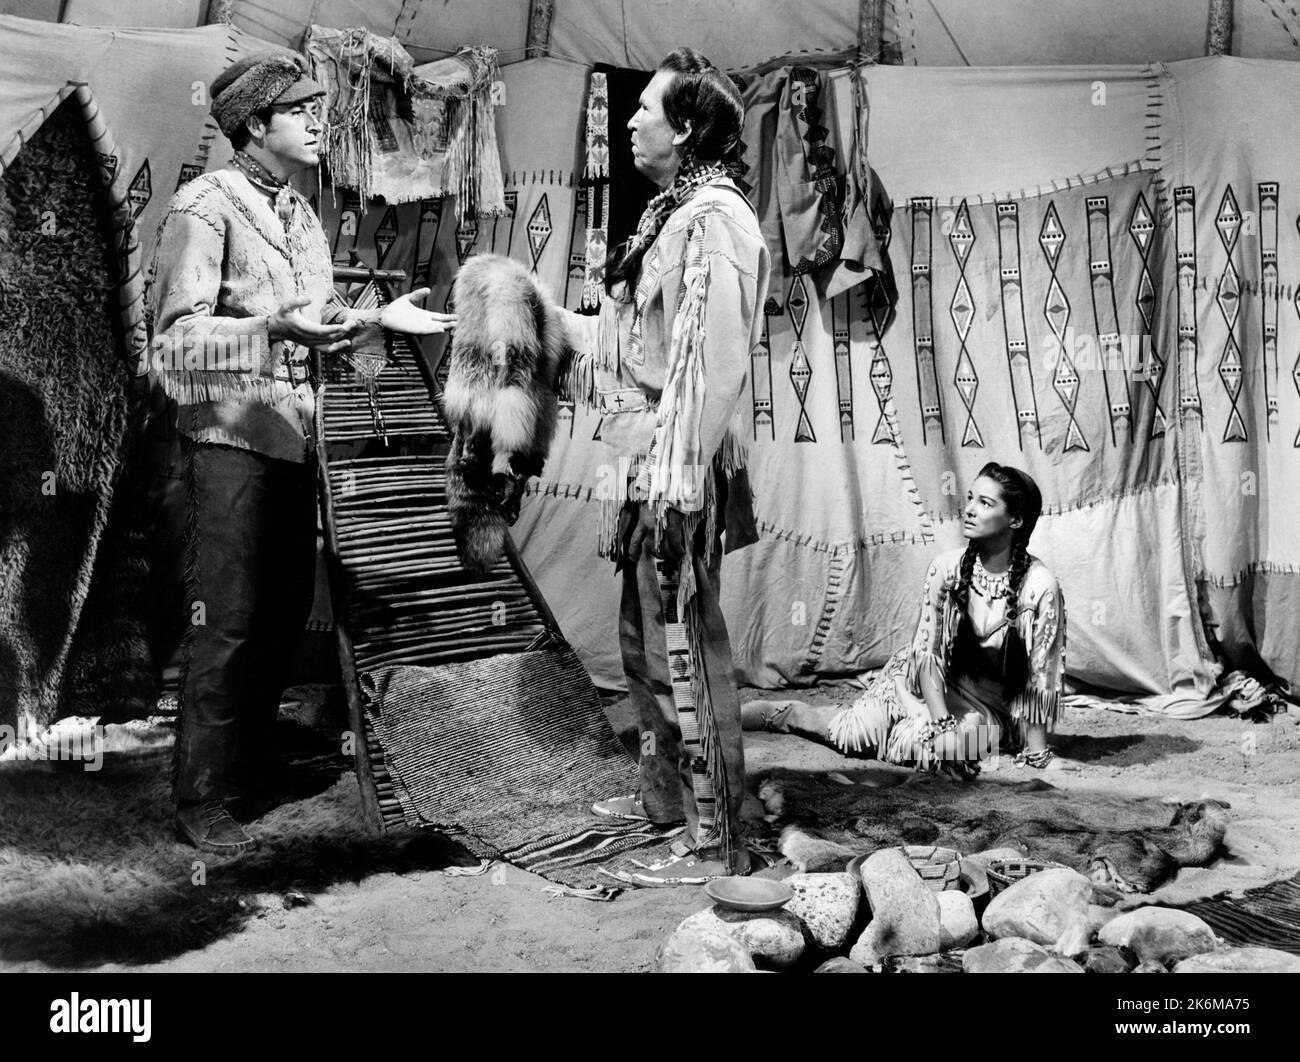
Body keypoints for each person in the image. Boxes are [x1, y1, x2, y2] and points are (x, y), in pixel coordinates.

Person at [147, 52, 454, 853]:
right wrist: (273, 329)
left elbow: (319, 323)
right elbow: (172, 345)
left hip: (296, 441)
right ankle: (201, 796)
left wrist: (383, 321)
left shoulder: (303, 213)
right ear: (255, 125)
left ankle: (247, 769)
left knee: (282, 612)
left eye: (321, 108)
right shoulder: (204, 207)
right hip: (230, 442)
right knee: (230, 620)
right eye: (304, 110)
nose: (322, 122)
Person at [559, 48, 770, 883]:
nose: (631, 120)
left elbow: (711, 365)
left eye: (646, 108)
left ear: (684, 128)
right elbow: (625, 351)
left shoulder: (716, 219)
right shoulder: (667, 218)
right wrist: (524, 314)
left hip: (676, 467)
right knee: (644, 639)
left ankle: (720, 828)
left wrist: (676, 483)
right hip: (643, 459)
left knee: (688, 636)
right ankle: (662, 796)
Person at [743, 463, 1067, 773]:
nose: (969, 509)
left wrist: (1037, 754)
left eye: (985, 503)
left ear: (1015, 521)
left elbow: (1040, 678)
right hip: (915, 681)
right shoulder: (946, 569)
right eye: (970, 498)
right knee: (853, 737)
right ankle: (783, 714)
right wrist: (936, 721)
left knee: (952, 748)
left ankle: (911, 728)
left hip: (989, 712)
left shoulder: (1040, 587)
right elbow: (928, 656)